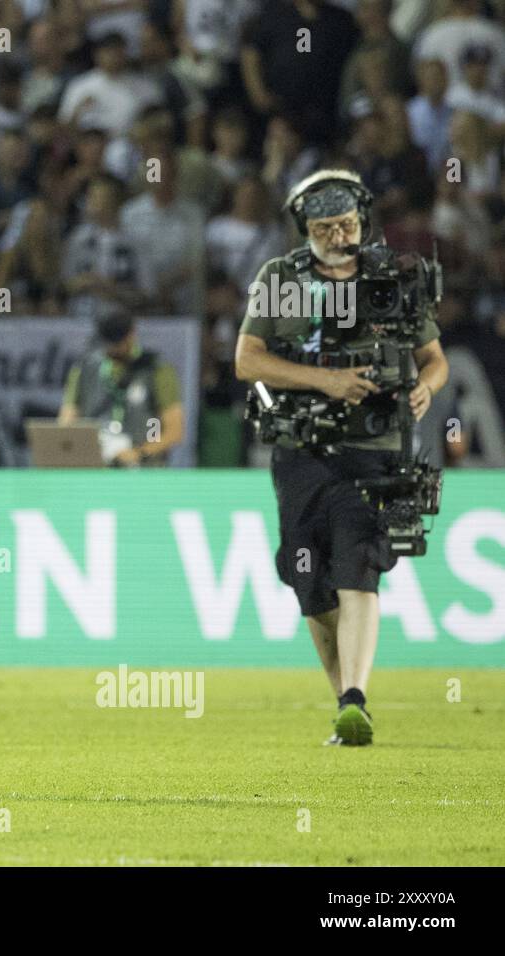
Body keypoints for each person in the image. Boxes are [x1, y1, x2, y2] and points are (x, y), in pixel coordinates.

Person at [234, 169, 449, 746]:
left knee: (359, 569)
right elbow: (248, 361)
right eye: (326, 226)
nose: (339, 235)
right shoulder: (280, 278)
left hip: (374, 449)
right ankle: (344, 701)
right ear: (305, 227)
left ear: (363, 220)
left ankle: (355, 699)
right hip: (300, 451)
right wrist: (322, 382)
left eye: (348, 224)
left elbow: (435, 357)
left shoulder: (395, 276)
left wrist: (427, 385)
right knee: (309, 581)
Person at [58, 311, 184, 467]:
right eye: (108, 342)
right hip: (96, 462)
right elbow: (67, 420)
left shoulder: (156, 370)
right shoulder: (85, 369)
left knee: (154, 422)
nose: (113, 348)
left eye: (117, 342)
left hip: (141, 462)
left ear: (131, 335)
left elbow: (174, 429)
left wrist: (141, 452)